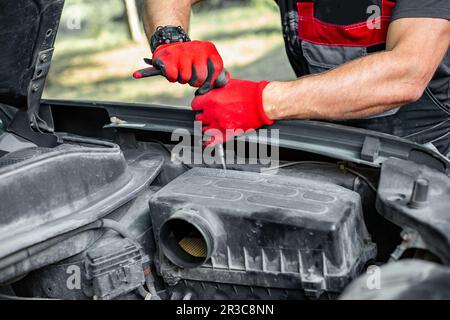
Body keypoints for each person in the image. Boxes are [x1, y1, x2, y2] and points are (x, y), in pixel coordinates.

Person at [142, 0, 450, 153]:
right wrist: (171, 38)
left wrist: (261, 101)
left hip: (431, 155)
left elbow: (407, 73)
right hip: (327, 146)